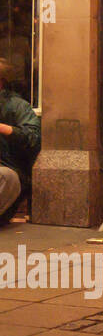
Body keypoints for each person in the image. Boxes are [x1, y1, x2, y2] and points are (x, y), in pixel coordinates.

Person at [0, 59, 39, 225]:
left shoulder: (17, 106)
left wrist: (4, 128)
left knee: (6, 176)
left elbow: (32, 139)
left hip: (8, 171)